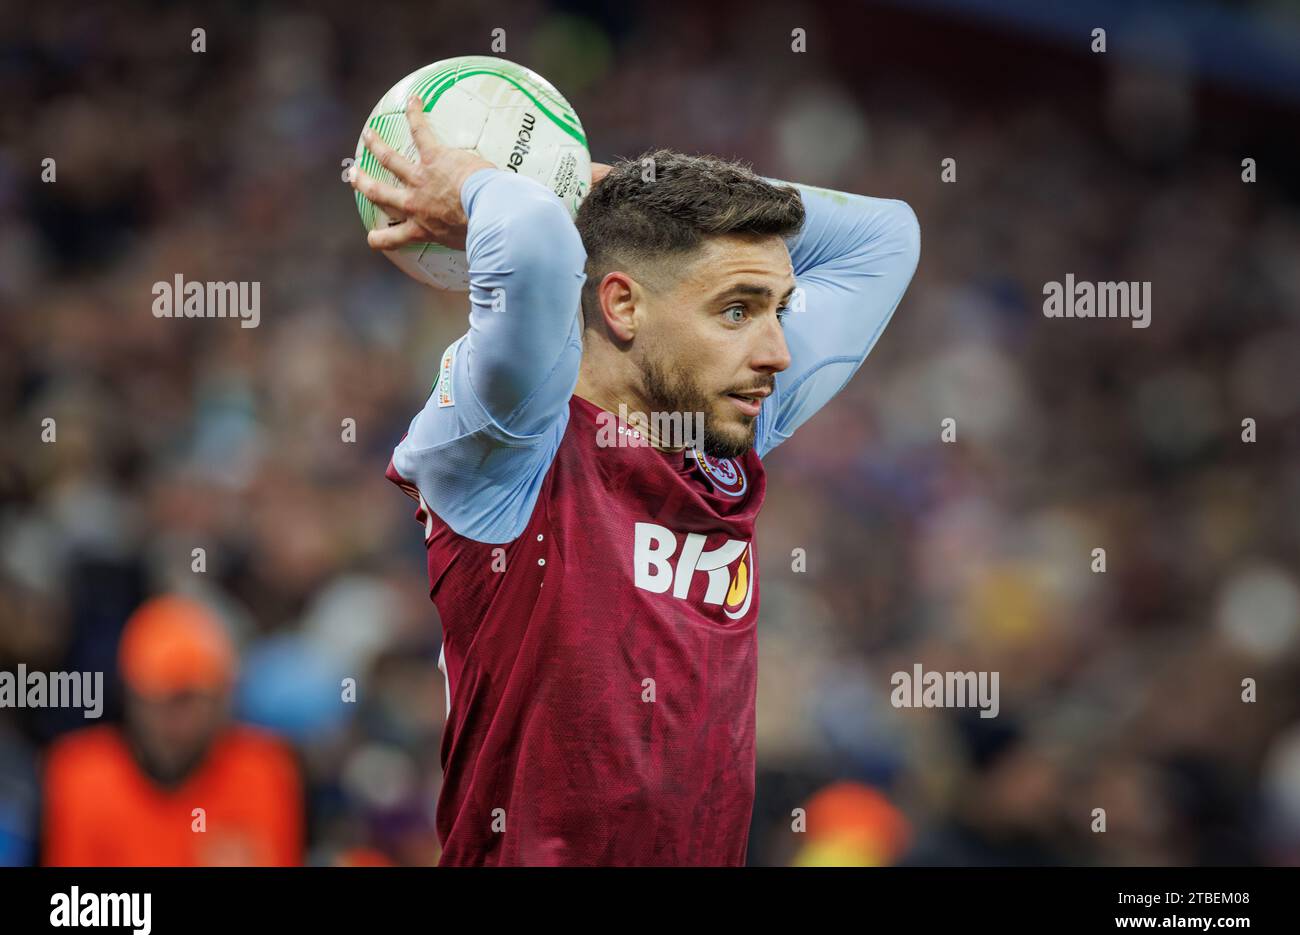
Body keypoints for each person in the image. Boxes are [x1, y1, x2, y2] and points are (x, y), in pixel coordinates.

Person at [350, 95, 920, 865]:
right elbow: (535, 241)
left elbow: (889, 237)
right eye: (738, 310)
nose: (778, 352)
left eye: (780, 309)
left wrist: (616, 188)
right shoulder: (508, 440)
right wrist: (488, 180)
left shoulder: (719, 432)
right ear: (621, 304)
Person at [42, 595, 303, 866]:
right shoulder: (80, 774)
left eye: (194, 700)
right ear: (132, 698)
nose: (181, 721)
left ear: (223, 699)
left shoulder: (265, 771)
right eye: (166, 701)